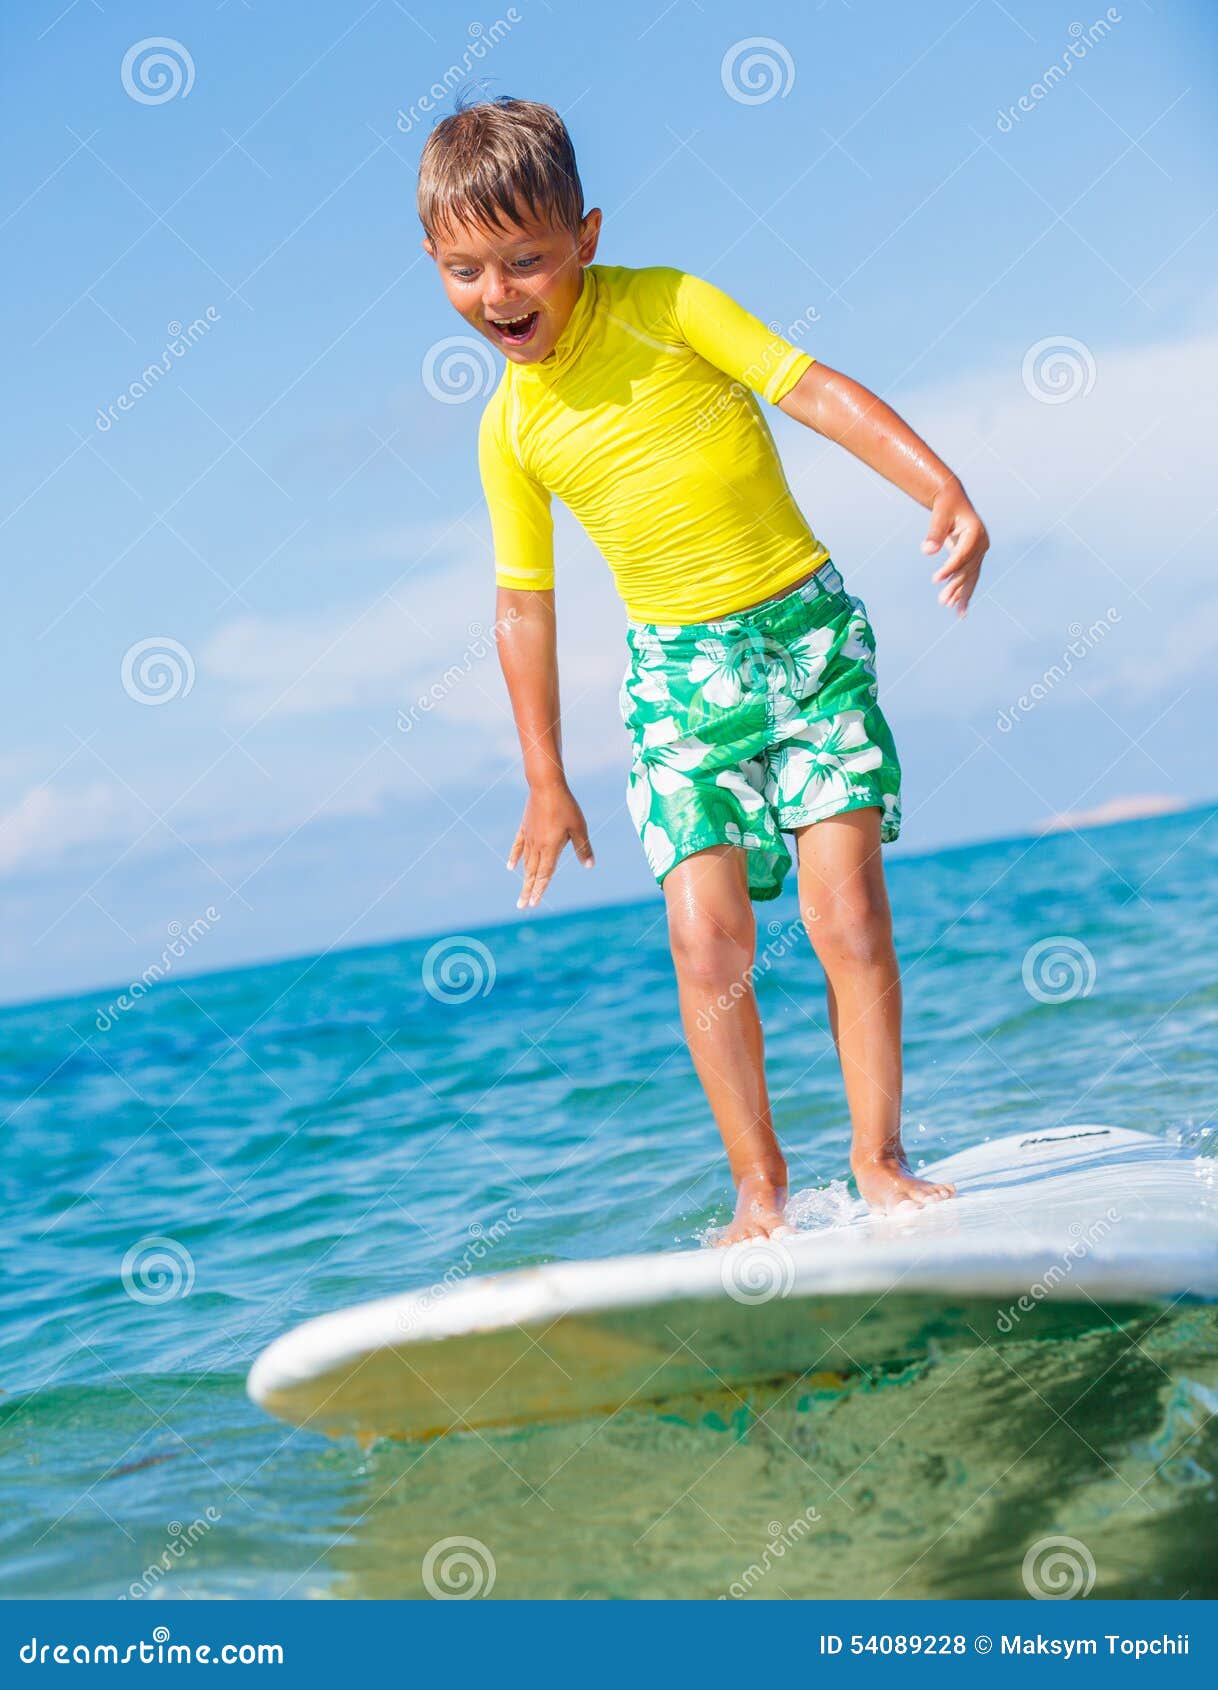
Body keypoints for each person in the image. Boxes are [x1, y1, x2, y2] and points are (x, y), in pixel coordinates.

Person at [417, 95, 989, 1242]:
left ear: (583, 236)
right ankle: (760, 1190)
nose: (499, 295)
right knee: (704, 937)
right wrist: (544, 772)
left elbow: (812, 389)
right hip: (676, 679)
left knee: (844, 912)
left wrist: (941, 485)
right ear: (434, 263)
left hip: (806, 639)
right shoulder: (511, 429)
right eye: (467, 269)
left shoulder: (671, 304)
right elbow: (523, 604)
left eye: (525, 260)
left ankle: (878, 1160)